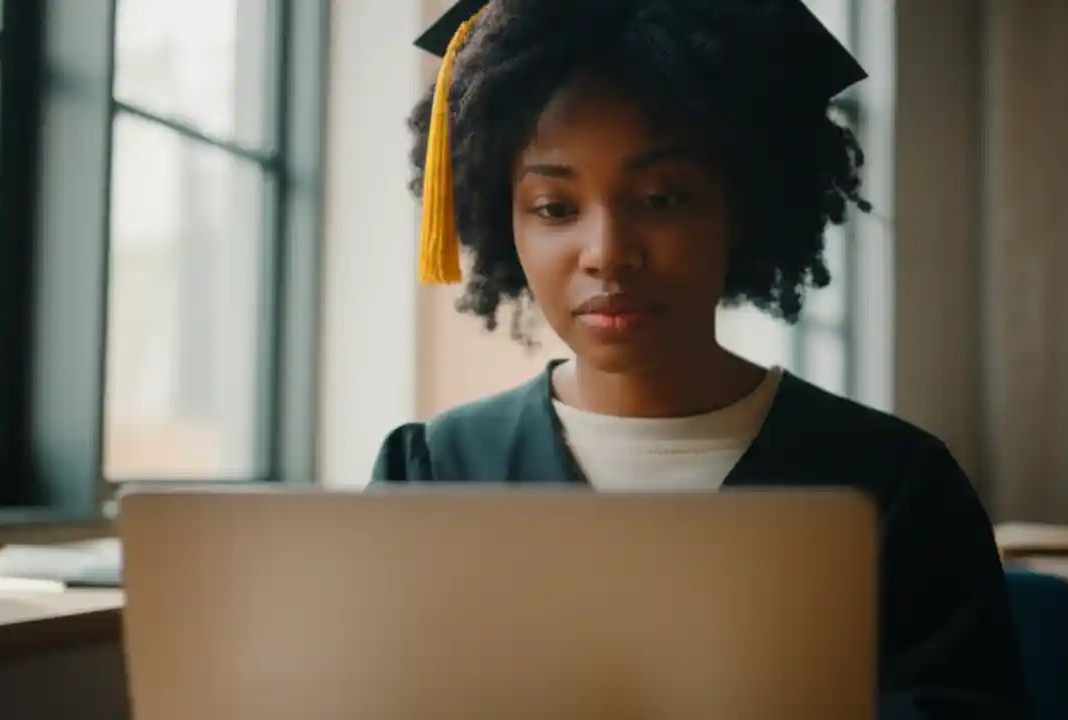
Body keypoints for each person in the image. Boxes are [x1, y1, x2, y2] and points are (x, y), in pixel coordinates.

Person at [373, 0, 1029, 717]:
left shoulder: (894, 489)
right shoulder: (434, 473)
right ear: (505, 221)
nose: (607, 252)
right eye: (555, 207)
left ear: (741, 206)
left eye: (661, 197)